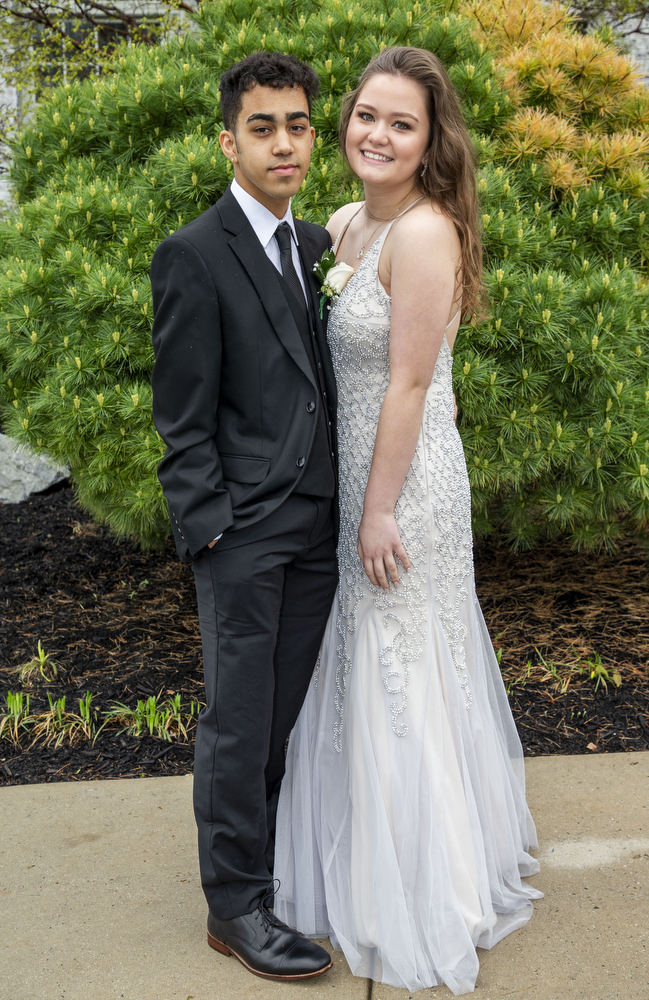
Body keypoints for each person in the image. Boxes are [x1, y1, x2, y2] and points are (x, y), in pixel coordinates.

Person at [274, 46, 542, 995]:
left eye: (401, 123)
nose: (376, 135)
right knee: (359, 657)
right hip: (353, 477)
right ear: (343, 122)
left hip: (404, 487)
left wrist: (379, 507)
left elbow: (412, 382)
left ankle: (419, 888)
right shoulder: (344, 223)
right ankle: (359, 855)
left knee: (399, 663)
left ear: (430, 143)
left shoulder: (423, 233)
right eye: (365, 116)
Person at [150, 51, 339, 981]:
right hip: (245, 534)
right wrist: (213, 530)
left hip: (319, 528)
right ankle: (235, 907)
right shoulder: (193, 254)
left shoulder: (316, 250)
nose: (283, 142)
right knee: (238, 720)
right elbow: (181, 419)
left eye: (297, 124)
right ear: (229, 141)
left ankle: (268, 874)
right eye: (262, 127)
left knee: (285, 719)